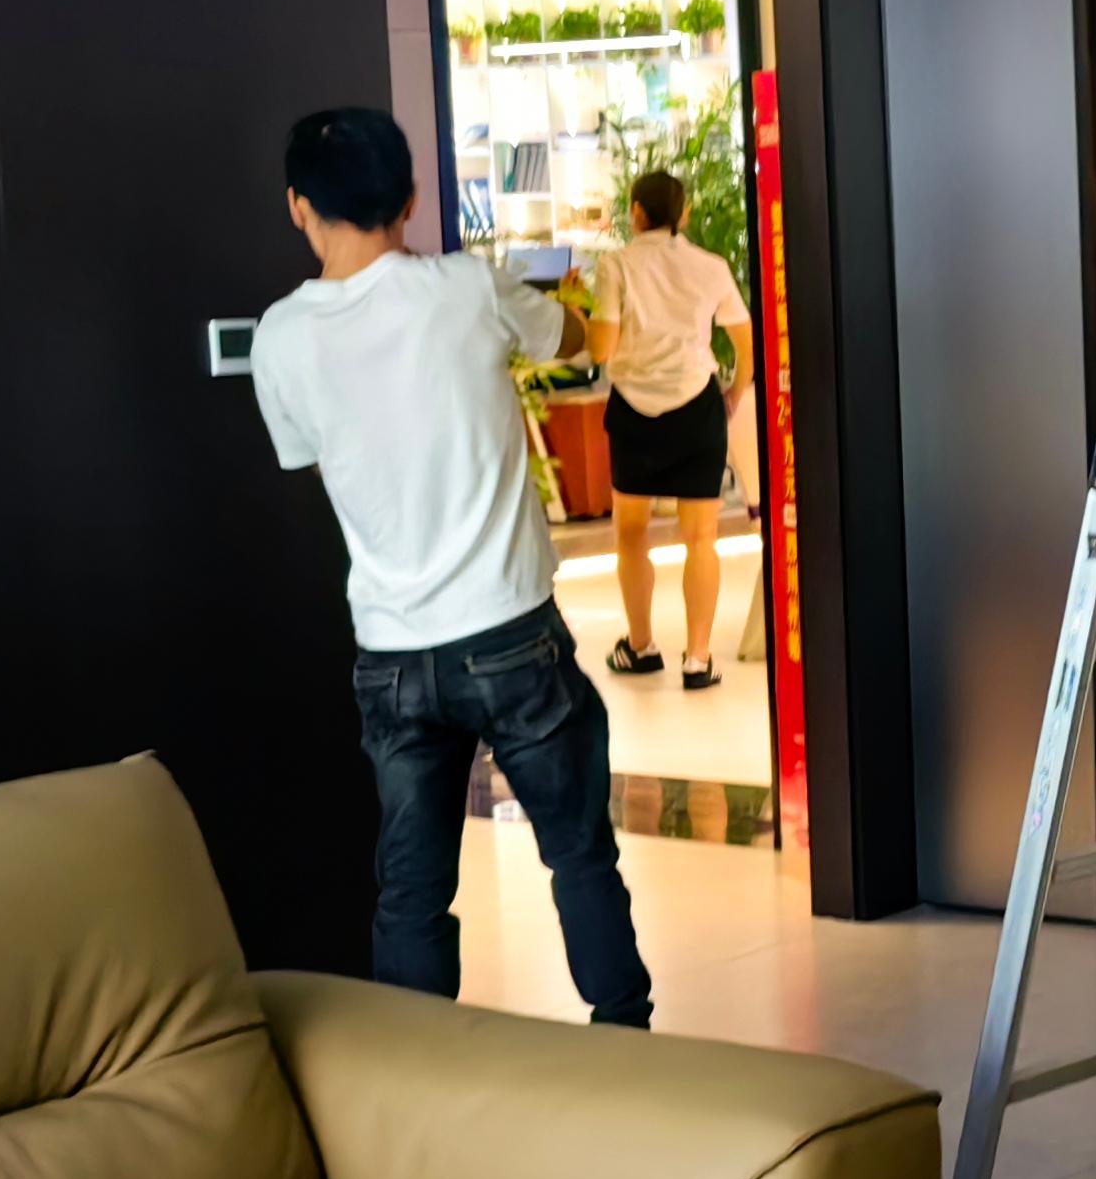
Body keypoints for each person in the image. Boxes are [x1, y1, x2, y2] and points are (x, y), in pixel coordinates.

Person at [249, 108, 654, 1029]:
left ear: (299, 206)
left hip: (392, 654)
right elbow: (572, 342)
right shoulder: (470, 288)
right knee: (579, 856)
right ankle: (627, 1046)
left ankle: (414, 1077)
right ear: (410, 198)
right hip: (510, 635)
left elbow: (314, 462)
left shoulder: (280, 338)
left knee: (412, 888)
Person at [582, 169, 749, 690]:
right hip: (697, 406)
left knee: (631, 533)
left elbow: (601, 350)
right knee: (701, 538)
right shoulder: (710, 266)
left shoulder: (616, 265)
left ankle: (640, 647)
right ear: (685, 214)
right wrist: (735, 391)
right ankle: (698, 660)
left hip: (634, 411)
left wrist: (579, 317)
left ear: (636, 212)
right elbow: (745, 340)